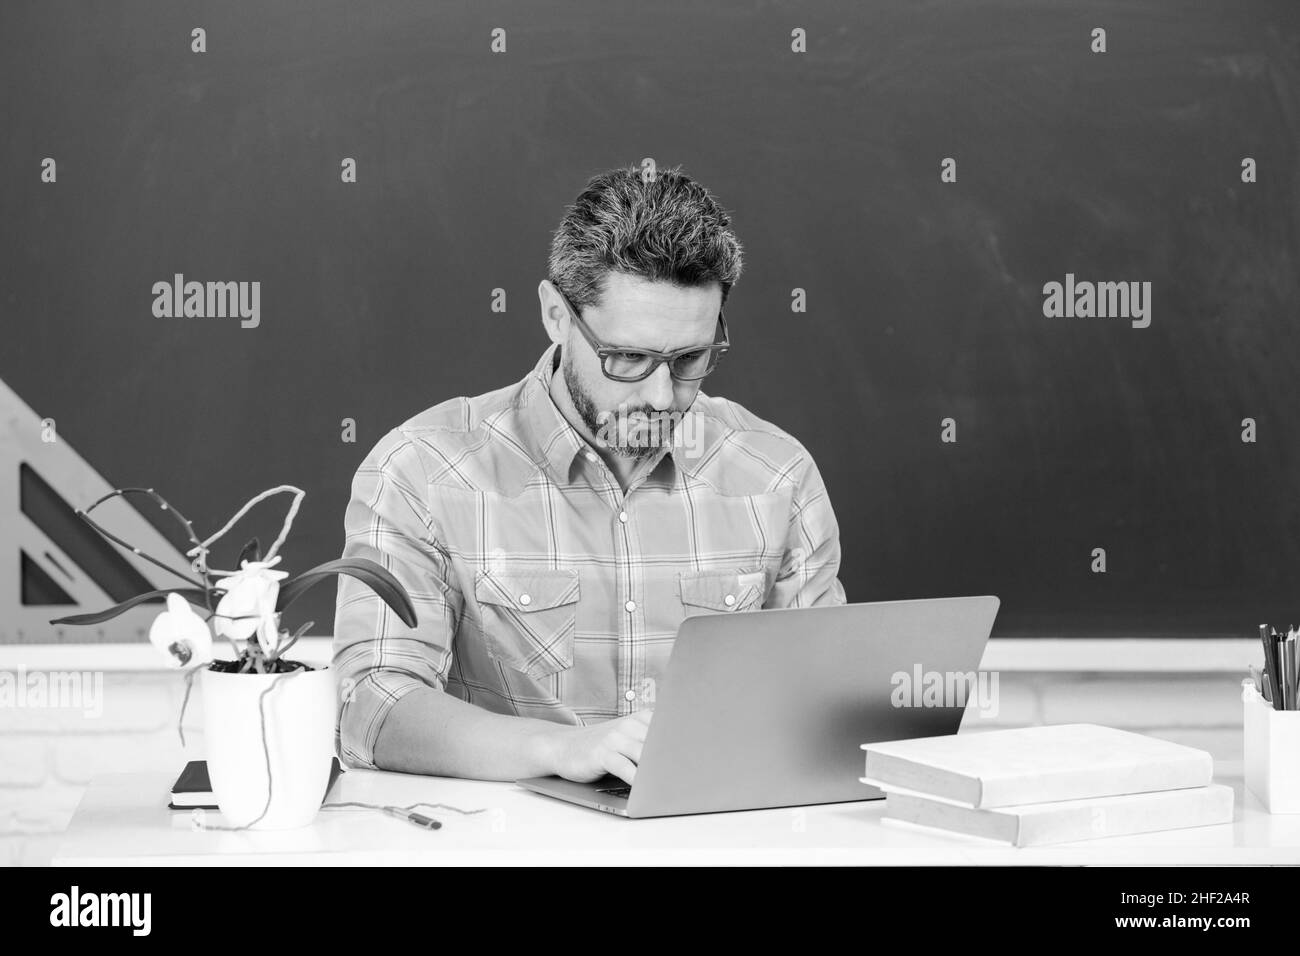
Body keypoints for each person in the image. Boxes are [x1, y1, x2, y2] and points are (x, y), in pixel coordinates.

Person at [332, 164, 846, 785]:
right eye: (627, 357)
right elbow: (372, 706)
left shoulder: (776, 474)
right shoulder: (421, 469)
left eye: (690, 359)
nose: (661, 395)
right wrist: (559, 750)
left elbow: (823, 703)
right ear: (556, 315)